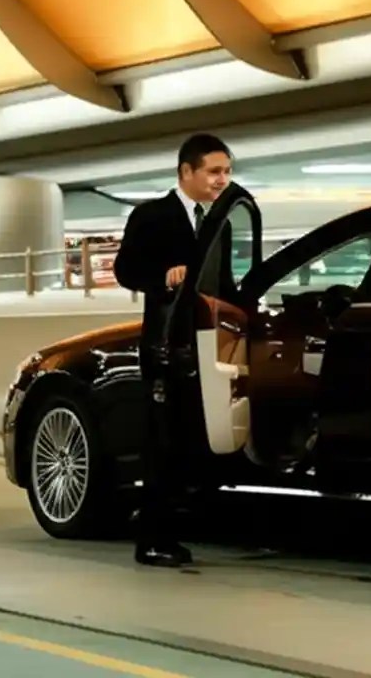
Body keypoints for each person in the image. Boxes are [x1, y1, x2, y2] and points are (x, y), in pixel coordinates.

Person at [113, 133, 237, 567]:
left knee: (191, 441)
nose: (222, 180)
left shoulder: (223, 222)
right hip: (167, 345)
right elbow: (125, 270)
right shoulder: (152, 215)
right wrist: (163, 275)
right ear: (187, 172)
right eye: (214, 171)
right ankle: (150, 538)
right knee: (162, 441)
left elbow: (226, 284)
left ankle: (170, 526)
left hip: (207, 344)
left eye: (227, 171)